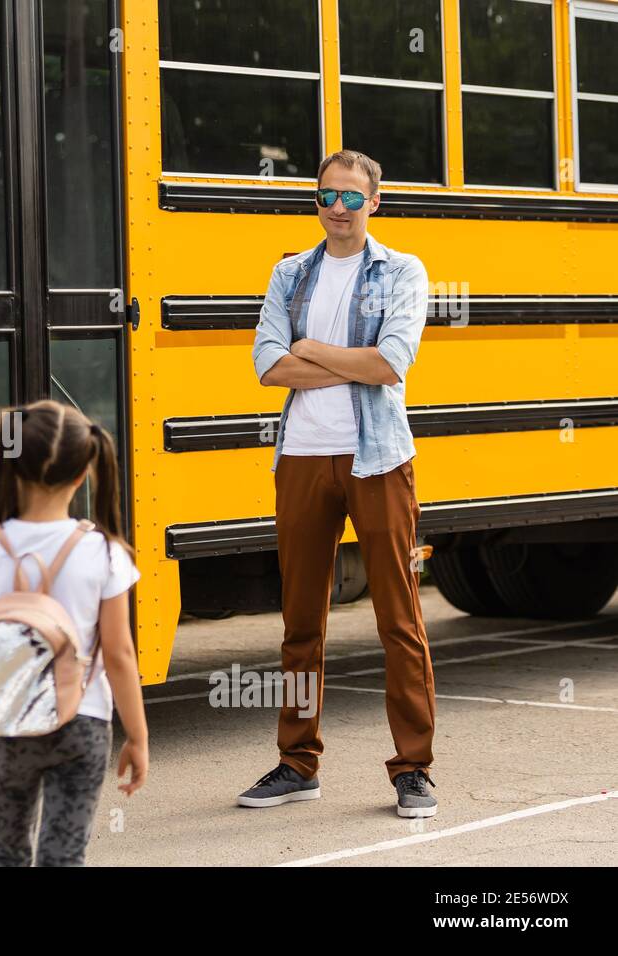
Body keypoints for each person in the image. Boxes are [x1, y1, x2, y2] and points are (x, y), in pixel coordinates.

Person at [243, 149, 438, 819]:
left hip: (376, 457)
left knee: (399, 620)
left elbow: (390, 363)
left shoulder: (402, 271)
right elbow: (268, 367)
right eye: (327, 195)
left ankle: (412, 769)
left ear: (373, 203)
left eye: (352, 198)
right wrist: (340, 362)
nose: (337, 207)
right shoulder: (289, 272)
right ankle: (297, 763)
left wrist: (312, 351)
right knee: (301, 623)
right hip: (301, 455)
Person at [0, 399, 149, 865]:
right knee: (63, 856)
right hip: (85, 722)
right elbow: (119, 655)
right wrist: (137, 736)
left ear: (12, 469)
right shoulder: (103, 552)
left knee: (5, 854)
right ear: (83, 475)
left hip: (11, 724)